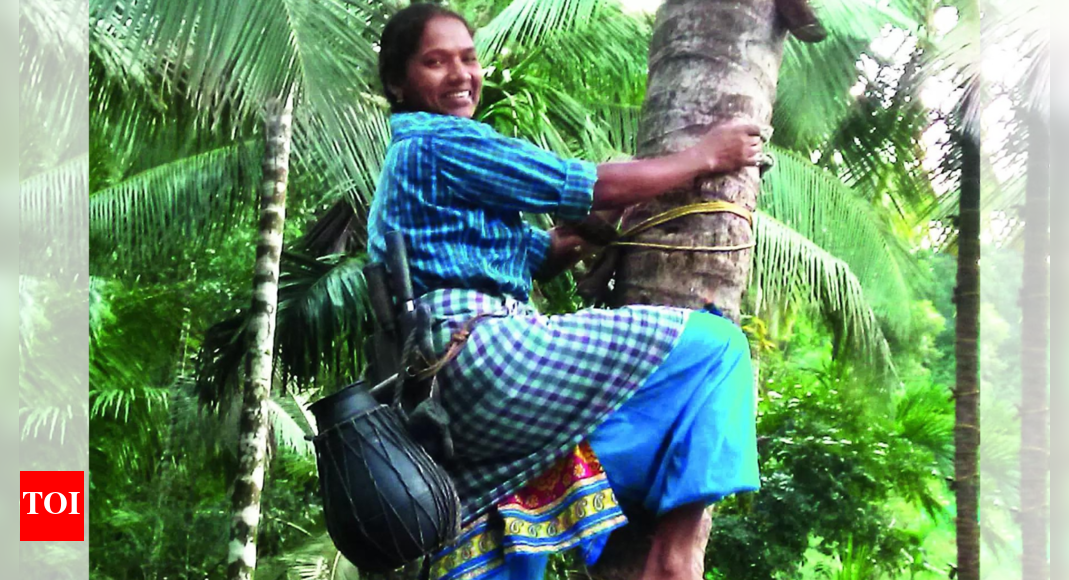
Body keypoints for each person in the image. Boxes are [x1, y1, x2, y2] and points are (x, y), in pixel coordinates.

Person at [367, 4, 763, 580]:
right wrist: (706, 156)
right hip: (485, 354)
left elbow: (537, 255)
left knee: (501, 529)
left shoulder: (410, 166)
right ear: (398, 83)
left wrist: (577, 235)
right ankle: (678, 559)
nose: (460, 75)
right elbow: (580, 183)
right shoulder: (437, 143)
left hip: (445, 396)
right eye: (435, 62)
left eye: (468, 58)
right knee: (718, 349)